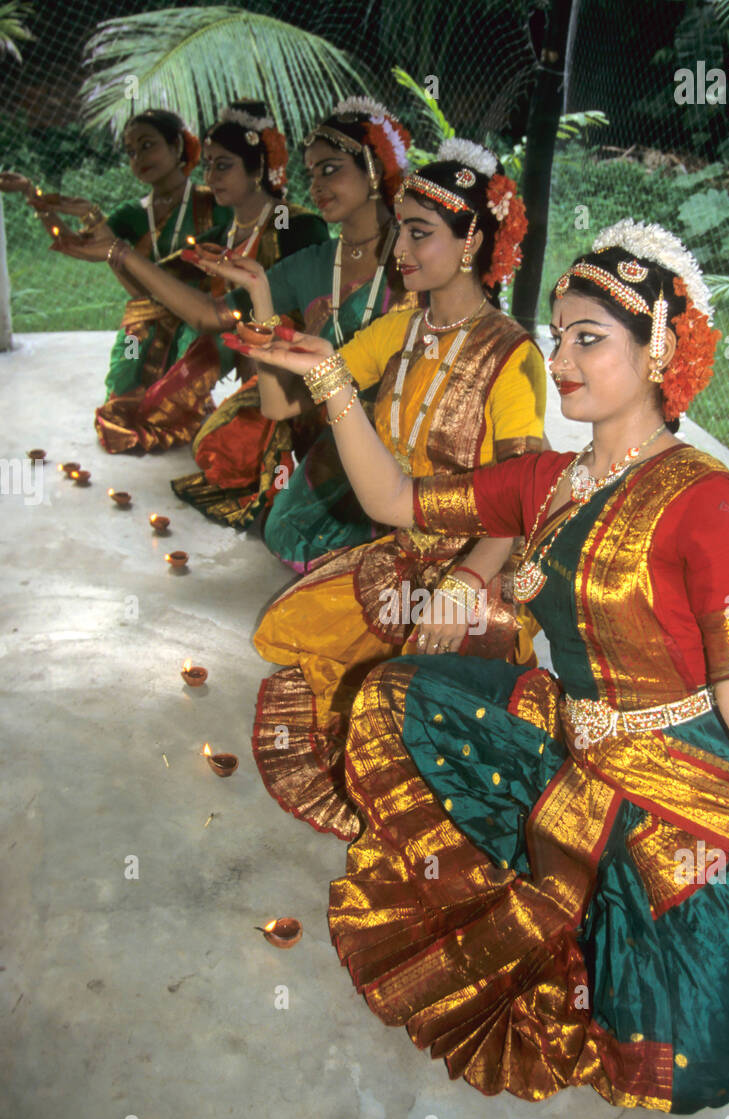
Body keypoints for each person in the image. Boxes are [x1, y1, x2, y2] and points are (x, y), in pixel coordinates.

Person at [246, 219, 729, 1113]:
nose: (561, 358)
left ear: (658, 354)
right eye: (557, 334)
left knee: (685, 1075)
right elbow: (391, 498)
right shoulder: (546, 484)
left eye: (588, 338)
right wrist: (331, 378)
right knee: (394, 699)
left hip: (688, 794)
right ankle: (560, 876)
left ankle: (604, 886)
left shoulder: (710, 503)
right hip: (573, 745)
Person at [244, 139, 546, 841]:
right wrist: (263, 318)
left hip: (477, 575)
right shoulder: (402, 327)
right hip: (400, 552)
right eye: (399, 230)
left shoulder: (511, 357)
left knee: (408, 754)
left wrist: (466, 579)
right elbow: (283, 407)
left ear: (472, 239)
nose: (399, 250)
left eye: (419, 233)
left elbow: (523, 501)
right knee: (299, 645)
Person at [170, 98, 415, 539]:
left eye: (330, 169)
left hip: (405, 431)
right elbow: (217, 320)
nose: (316, 185)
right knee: (286, 533)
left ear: (374, 170)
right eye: (309, 173)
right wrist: (259, 290)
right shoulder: (316, 261)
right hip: (328, 419)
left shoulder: (415, 256)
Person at [45, 102, 327, 454]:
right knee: (157, 334)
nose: (210, 178)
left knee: (220, 446)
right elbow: (154, 288)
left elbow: (311, 320)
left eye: (223, 166)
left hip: (293, 374)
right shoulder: (221, 235)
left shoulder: (296, 226)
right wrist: (107, 245)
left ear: (257, 168)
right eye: (208, 166)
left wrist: (118, 251)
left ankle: (256, 420)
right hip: (231, 338)